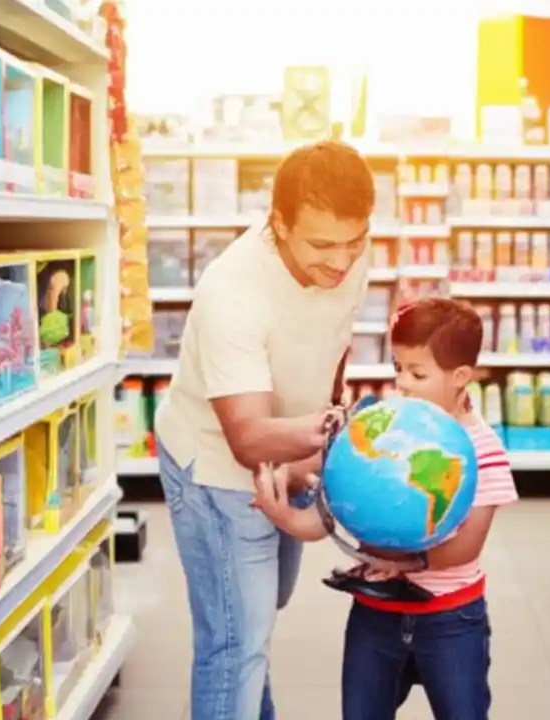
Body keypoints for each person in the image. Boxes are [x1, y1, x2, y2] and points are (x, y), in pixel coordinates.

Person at [152, 140, 375, 720]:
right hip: (218, 470)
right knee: (235, 644)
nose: (343, 261)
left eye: (354, 241)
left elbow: (335, 337)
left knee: (258, 613)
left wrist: (326, 411)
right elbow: (247, 438)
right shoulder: (234, 291)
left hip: (292, 457)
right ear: (279, 223)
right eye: (323, 245)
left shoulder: (349, 249)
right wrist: (341, 433)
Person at [253, 297, 519, 720]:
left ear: (460, 377)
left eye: (417, 373)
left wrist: (400, 562)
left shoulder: (481, 450)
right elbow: (327, 517)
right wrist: (283, 515)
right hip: (375, 616)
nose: (403, 383)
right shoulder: (379, 432)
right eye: (398, 368)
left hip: (450, 618)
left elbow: (467, 547)